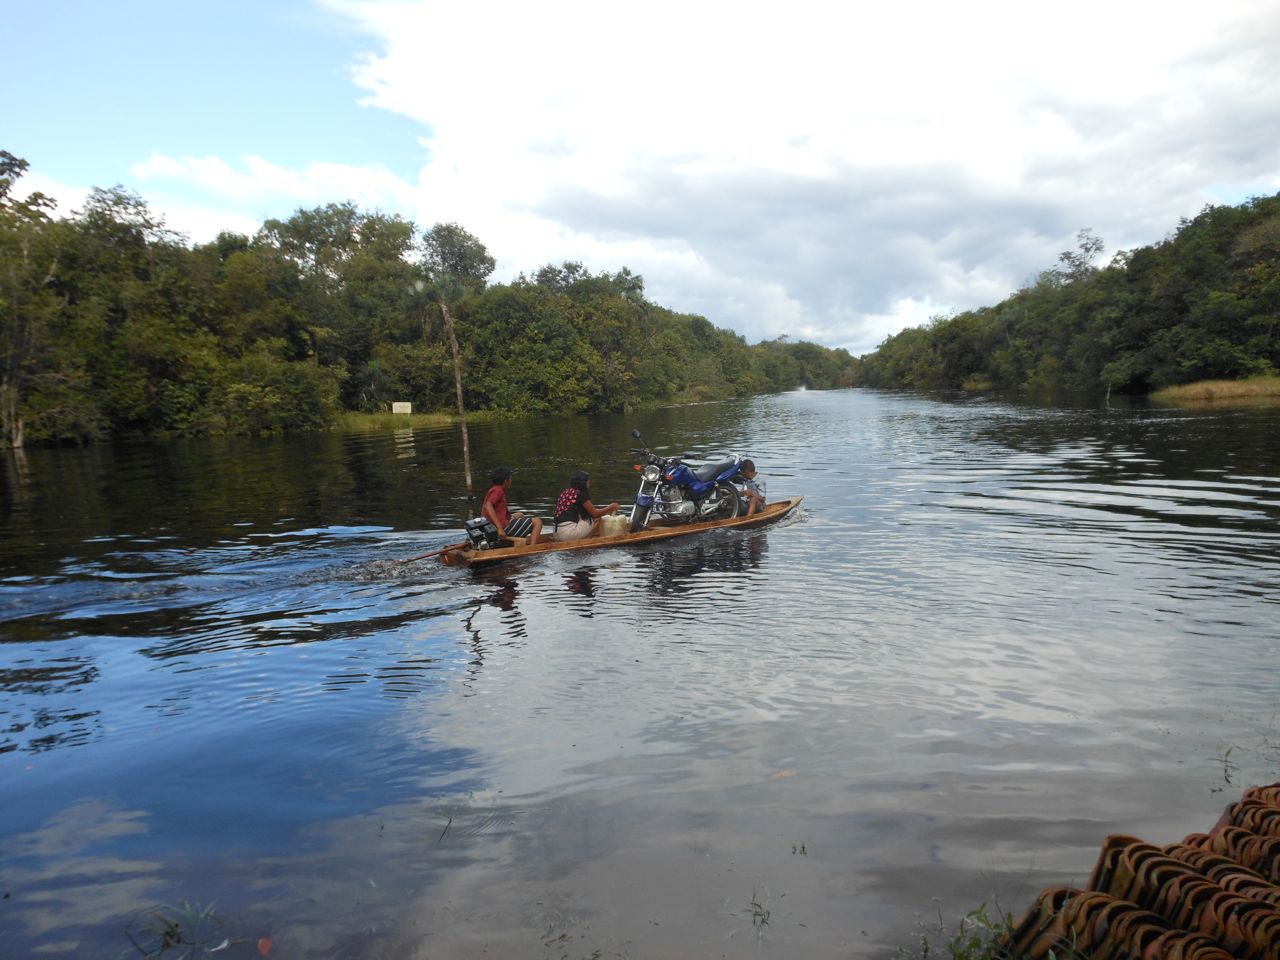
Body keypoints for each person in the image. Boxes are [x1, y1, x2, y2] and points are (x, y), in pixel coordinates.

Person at [481, 466, 543, 545]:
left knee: (520, 515)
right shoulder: (498, 490)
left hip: (492, 525)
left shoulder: (494, 489)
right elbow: (488, 506)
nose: (511, 481)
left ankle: (514, 543)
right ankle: (532, 548)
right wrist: (500, 528)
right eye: (510, 479)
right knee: (537, 522)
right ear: (506, 481)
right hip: (500, 527)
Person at [552, 470, 619, 541]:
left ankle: (583, 537)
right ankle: (587, 540)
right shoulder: (581, 494)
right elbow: (595, 514)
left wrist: (606, 510)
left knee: (588, 516)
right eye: (588, 482)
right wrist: (611, 507)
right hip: (568, 534)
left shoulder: (566, 492)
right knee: (596, 518)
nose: (589, 484)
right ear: (584, 484)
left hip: (556, 534)